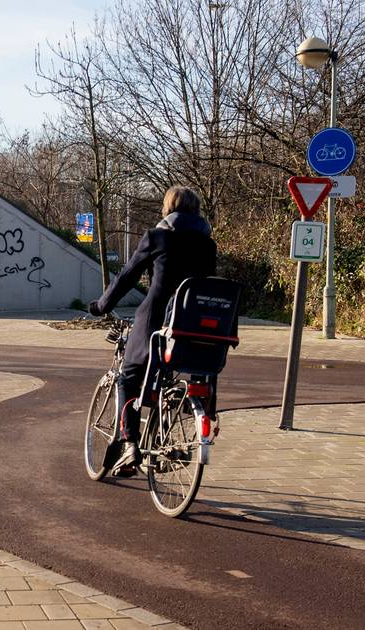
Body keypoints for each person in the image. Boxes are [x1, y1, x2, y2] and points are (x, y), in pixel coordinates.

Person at [89, 186, 217, 477]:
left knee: (127, 379)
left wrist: (101, 305)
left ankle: (130, 444)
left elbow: (125, 278)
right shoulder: (208, 245)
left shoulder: (157, 237)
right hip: (192, 328)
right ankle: (164, 436)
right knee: (166, 377)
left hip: (154, 324)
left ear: (167, 208)